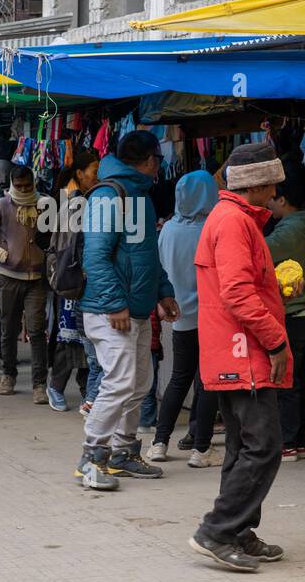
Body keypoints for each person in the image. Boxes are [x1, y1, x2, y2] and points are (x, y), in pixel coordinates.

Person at [189, 142, 291, 572]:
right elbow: (236, 293)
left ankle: (239, 530)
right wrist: (276, 341)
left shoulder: (233, 218)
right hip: (242, 351)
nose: (276, 192)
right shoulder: (233, 222)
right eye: (272, 184)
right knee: (264, 445)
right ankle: (217, 530)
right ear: (258, 183)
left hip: (233, 349)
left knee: (242, 444)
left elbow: (241, 287)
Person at [75, 131, 180, 490]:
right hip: (111, 310)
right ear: (151, 160)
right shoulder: (109, 195)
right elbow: (96, 257)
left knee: (139, 384)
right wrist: (114, 302)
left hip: (136, 307)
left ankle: (123, 452)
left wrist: (163, 292)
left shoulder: (141, 197)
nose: (160, 168)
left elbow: (147, 256)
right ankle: (92, 457)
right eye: (159, 161)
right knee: (119, 383)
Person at [150, 169, 220, 467]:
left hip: (179, 316)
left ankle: (158, 443)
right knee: (208, 383)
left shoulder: (167, 229)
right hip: (212, 317)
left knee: (179, 380)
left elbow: (161, 269)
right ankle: (201, 450)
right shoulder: (213, 229)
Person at [0, 164, 55, 403]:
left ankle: (39, 384)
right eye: (18, 186)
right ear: (11, 184)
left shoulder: (46, 204)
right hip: (9, 277)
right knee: (8, 329)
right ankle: (8, 375)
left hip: (37, 278)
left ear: (33, 183)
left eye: (27, 186)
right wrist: (4, 256)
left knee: (37, 331)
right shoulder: (0, 206)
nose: (23, 190)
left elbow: (57, 235)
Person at [265, 166, 305, 464]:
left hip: (291, 311)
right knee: (297, 379)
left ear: (284, 200)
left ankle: (288, 441)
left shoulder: (288, 233)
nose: (268, 203)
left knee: (286, 381)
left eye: (272, 199)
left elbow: (257, 255)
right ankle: (297, 440)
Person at [46, 152, 102, 411]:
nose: (97, 176)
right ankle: (56, 386)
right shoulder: (74, 202)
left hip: (78, 280)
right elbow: (70, 246)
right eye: (94, 170)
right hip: (71, 280)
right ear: (80, 173)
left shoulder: (81, 199)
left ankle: (84, 389)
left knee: (82, 338)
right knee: (69, 338)